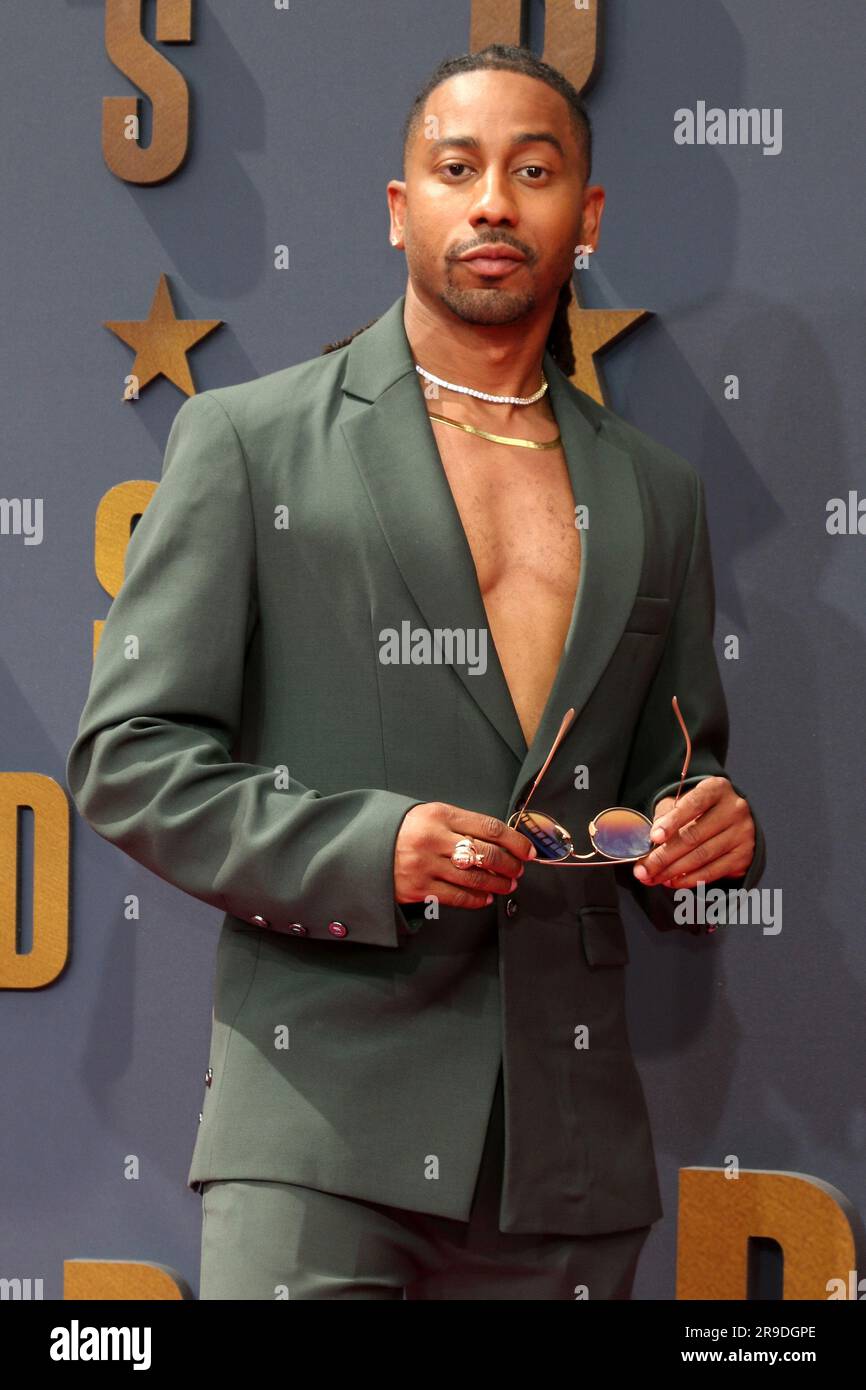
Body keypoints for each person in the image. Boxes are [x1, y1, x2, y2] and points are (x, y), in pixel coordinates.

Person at [66, 43, 765, 1300]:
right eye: (457, 168)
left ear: (586, 216)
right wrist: (364, 852)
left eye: (533, 170)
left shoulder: (655, 493)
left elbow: (668, 779)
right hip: (318, 1139)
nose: (493, 199)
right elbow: (127, 761)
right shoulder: (248, 440)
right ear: (402, 211)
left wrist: (706, 834)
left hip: (568, 1166)